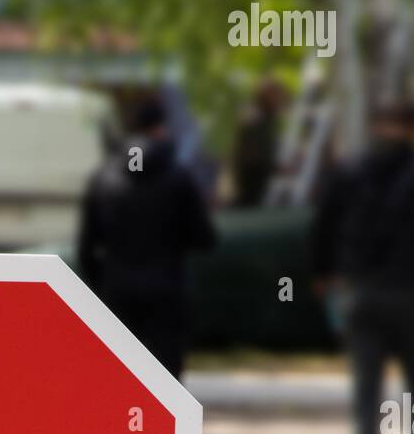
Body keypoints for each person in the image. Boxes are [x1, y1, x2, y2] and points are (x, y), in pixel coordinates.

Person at [77, 96, 217, 381]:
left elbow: (86, 247)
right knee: (166, 380)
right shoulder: (180, 178)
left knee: (120, 376)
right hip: (168, 291)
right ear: (161, 129)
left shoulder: (103, 178)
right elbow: (205, 238)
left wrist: (103, 282)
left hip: (117, 291)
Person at [312, 100, 414, 434]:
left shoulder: (349, 170)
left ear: (376, 126)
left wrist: (322, 275)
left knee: (365, 389)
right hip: (411, 295)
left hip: (361, 292)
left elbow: (323, 227)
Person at [232, 78, 287, 207]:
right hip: (251, 175)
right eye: (276, 95)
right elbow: (255, 151)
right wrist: (275, 168)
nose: (280, 100)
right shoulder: (255, 114)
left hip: (257, 173)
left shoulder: (267, 117)